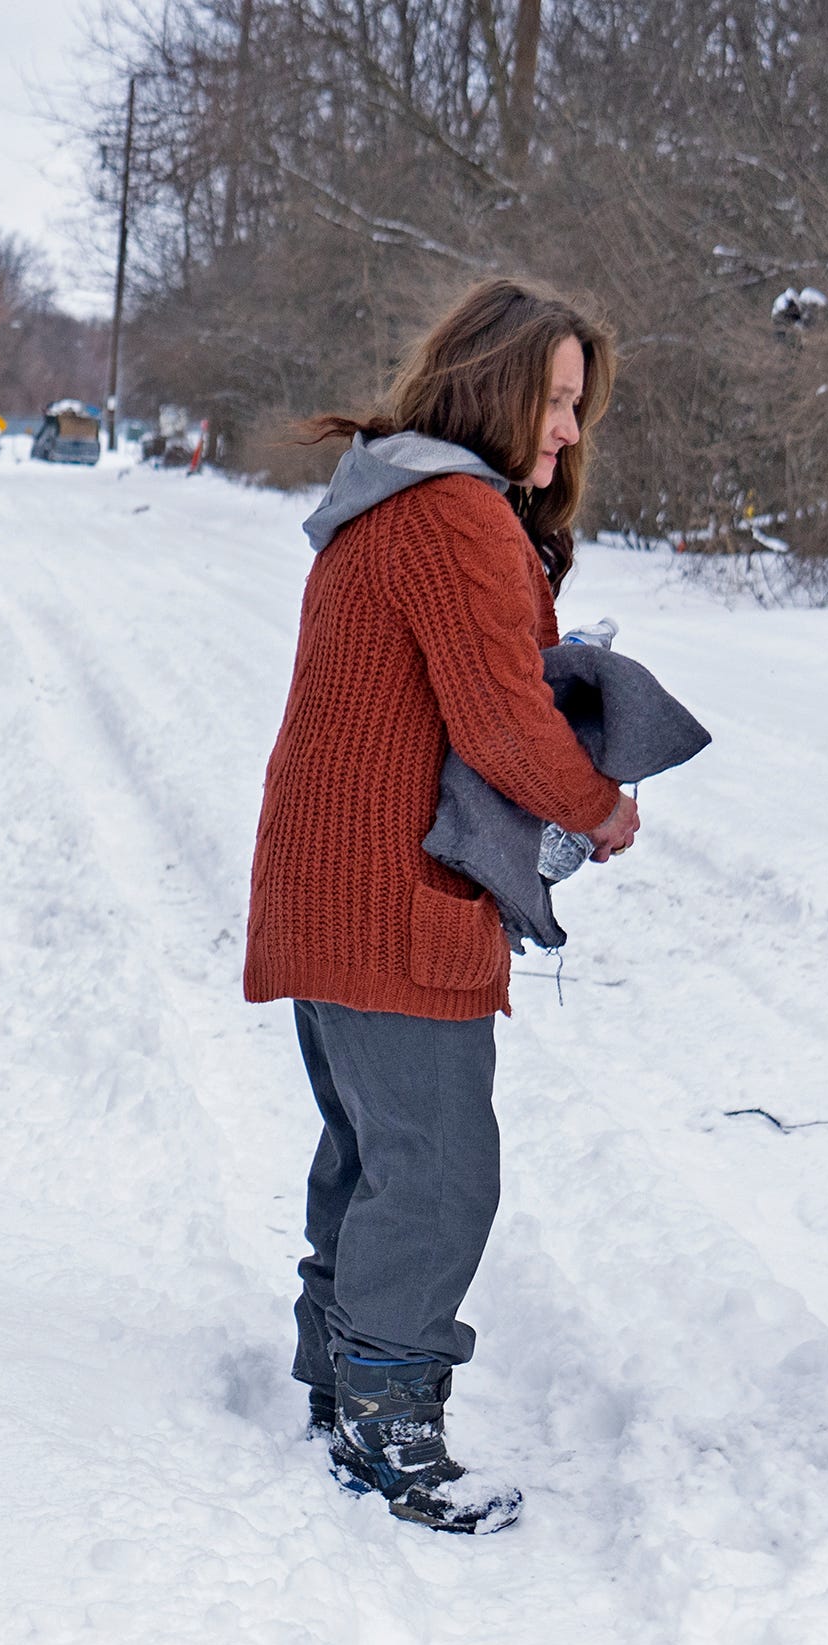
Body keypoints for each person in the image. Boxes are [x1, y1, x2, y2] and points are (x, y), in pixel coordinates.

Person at [244, 279, 640, 1534]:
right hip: (390, 897)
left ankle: (341, 1378)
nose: (569, 430)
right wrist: (597, 804)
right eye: (558, 401)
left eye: (579, 408)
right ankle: (389, 1420)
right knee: (440, 1171)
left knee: (376, 1150)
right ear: (496, 385)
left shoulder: (393, 495)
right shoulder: (454, 511)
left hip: (331, 890)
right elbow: (502, 720)